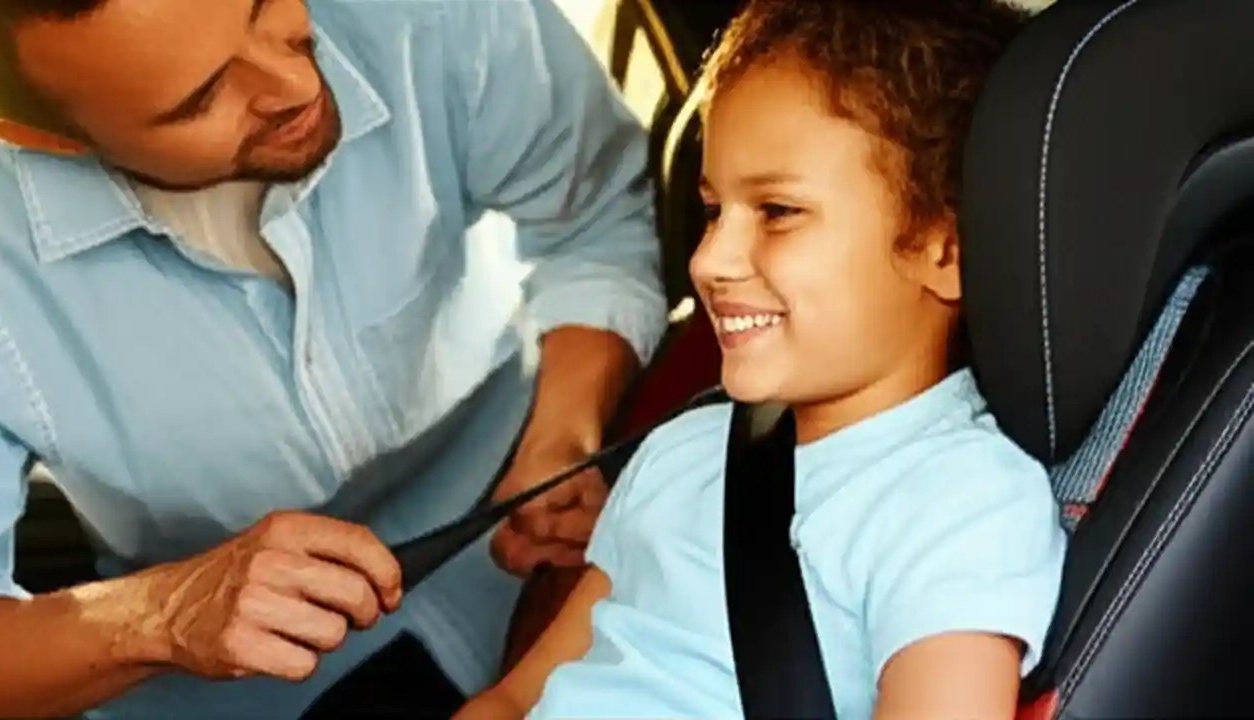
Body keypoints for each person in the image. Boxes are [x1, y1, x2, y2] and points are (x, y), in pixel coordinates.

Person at [0, 0, 665, 717]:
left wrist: (563, 434)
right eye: (203, 98)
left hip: (546, 554)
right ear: (42, 140)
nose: (297, 83)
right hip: (231, 693)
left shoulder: (434, 13)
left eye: (266, 5)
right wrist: (161, 616)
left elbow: (594, 223)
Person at [456, 0, 1069, 718]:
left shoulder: (962, 501)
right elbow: (513, 700)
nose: (709, 259)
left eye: (778, 212)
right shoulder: (684, 452)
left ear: (944, 247)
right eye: (714, 210)